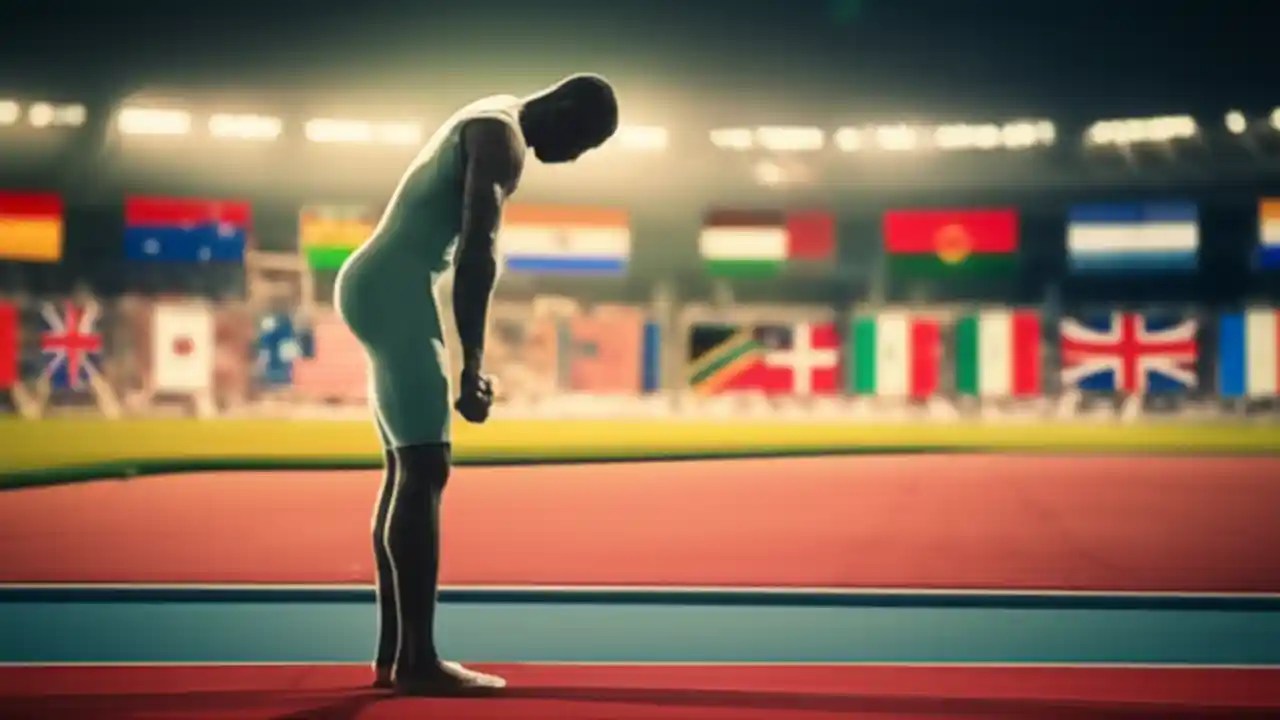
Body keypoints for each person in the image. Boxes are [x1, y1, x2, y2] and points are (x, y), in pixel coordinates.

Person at [333, 73, 619, 696]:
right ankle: (418, 662)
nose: (576, 157)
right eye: (584, 141)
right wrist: (473, 366)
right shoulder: (500, 139)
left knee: (406, 471)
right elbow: (477, 251)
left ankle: (393, 656)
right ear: (564, 108)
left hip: (380, 283)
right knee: (425, 469)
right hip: (393, 289)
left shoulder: (492, 113)